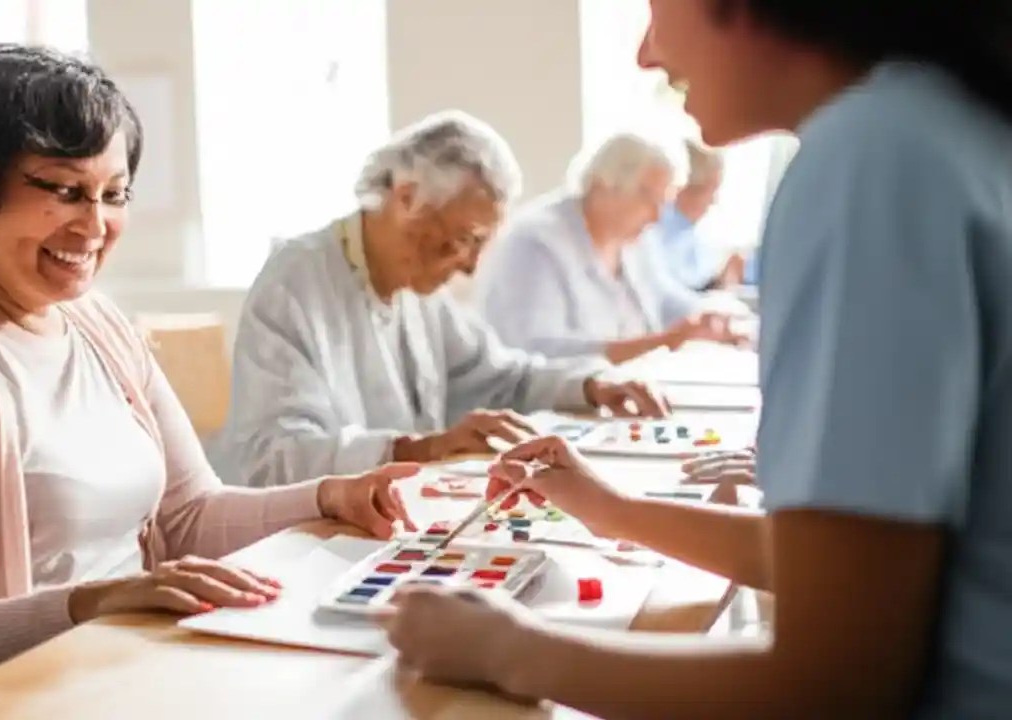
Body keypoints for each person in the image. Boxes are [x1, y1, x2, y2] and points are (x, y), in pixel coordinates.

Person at [383, 1, 1012, 717]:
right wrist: (613, 509)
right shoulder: (942, 126)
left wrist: (509, 650)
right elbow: (852, 574)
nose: (646, 54)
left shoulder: (872, 159)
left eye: (654, 9)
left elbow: (832, 683)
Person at [0, 45, 417, 720]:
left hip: (105, 680)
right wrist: (98, 603)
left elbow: (188, 517)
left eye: (113, 193)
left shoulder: (96, 323)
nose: (95, 226)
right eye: (65, 191)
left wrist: (332, 496)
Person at [219, 112, 671, 490]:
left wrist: (590, 384)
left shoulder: (420, 294)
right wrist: (420, 448)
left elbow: (503, 379)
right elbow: (271, 459)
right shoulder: (296, 282)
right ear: (407, 197)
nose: (470, 268)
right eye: (463, 240)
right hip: (305, 542)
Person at [475, 134, 745, 365]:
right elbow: (535, 351)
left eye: (664, 202)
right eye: (648, 199)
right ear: (602, 185)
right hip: (556, 408)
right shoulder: (535, 242)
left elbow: (665, 300)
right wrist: (662, 342)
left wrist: (712, 318)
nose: (657, 217)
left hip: (625, 396)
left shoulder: (634, 240)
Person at [647, 139, 746, 291]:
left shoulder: (688, 231)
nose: (714, 201)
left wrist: (723, 277)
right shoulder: (657, 228)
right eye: (711, 190)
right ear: (689, 188)